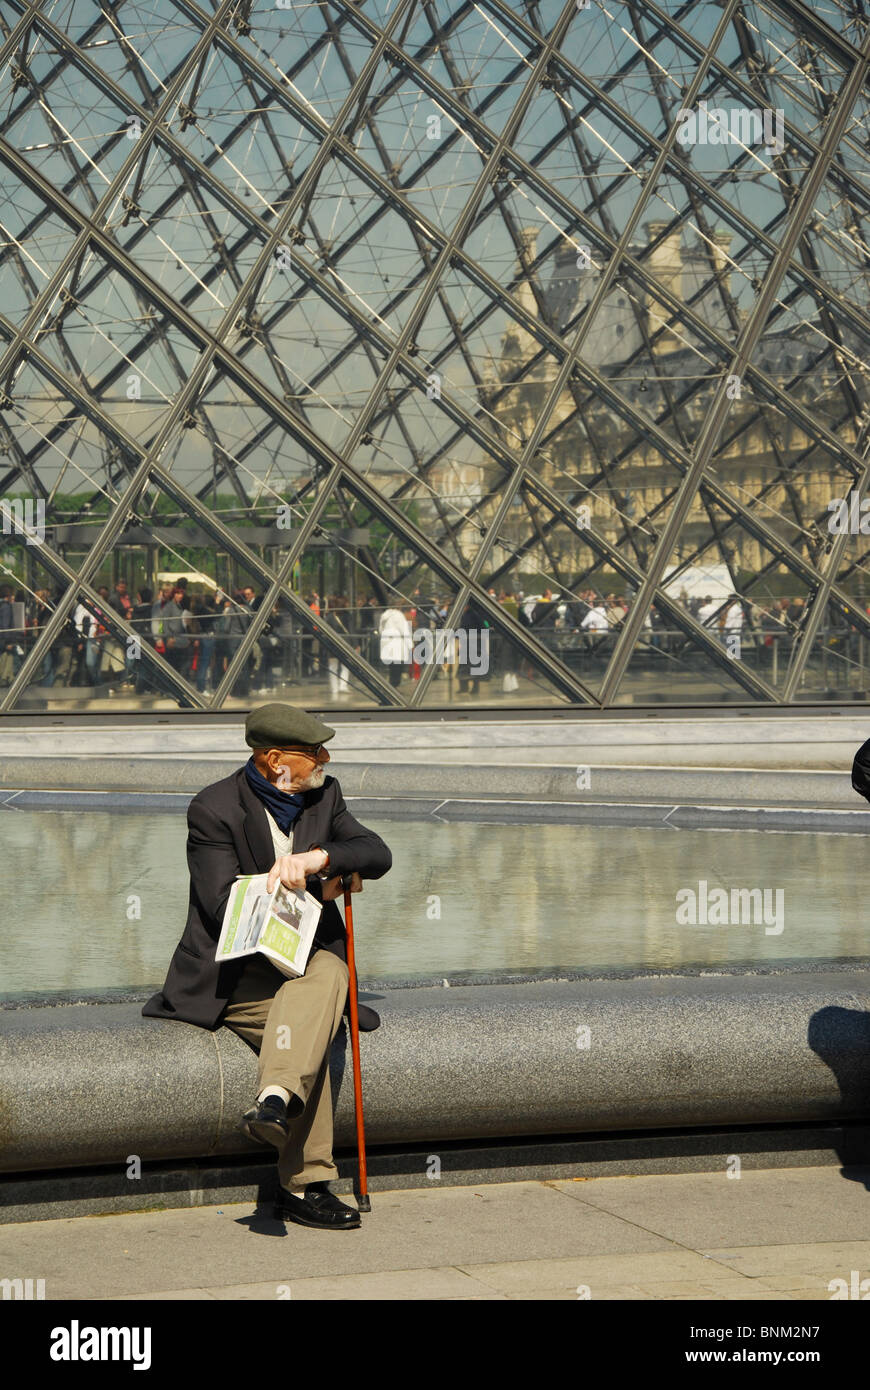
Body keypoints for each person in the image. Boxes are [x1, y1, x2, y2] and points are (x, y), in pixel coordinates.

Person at [142, 703, 392, 1230]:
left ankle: (274, 1100)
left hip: (304, 968)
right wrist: (275, 891)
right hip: (238, 974)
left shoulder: (326, 794)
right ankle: (305, 1186)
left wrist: (319, 859)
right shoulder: (213, 808)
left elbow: (376, 853)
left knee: (327, 974)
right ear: (274, 759)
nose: (324, 758)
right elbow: (216, 904)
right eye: (313, 752)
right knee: (317, 1025)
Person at [378, 603, 412, 688]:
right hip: (397, 643)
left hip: (386, 643)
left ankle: (391, 685)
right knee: (397, 667)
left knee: (391, 666)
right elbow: (404, 630)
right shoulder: (399, 615)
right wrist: (410, 644)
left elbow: (380, 629)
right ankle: (393, 686)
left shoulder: (384, 615)